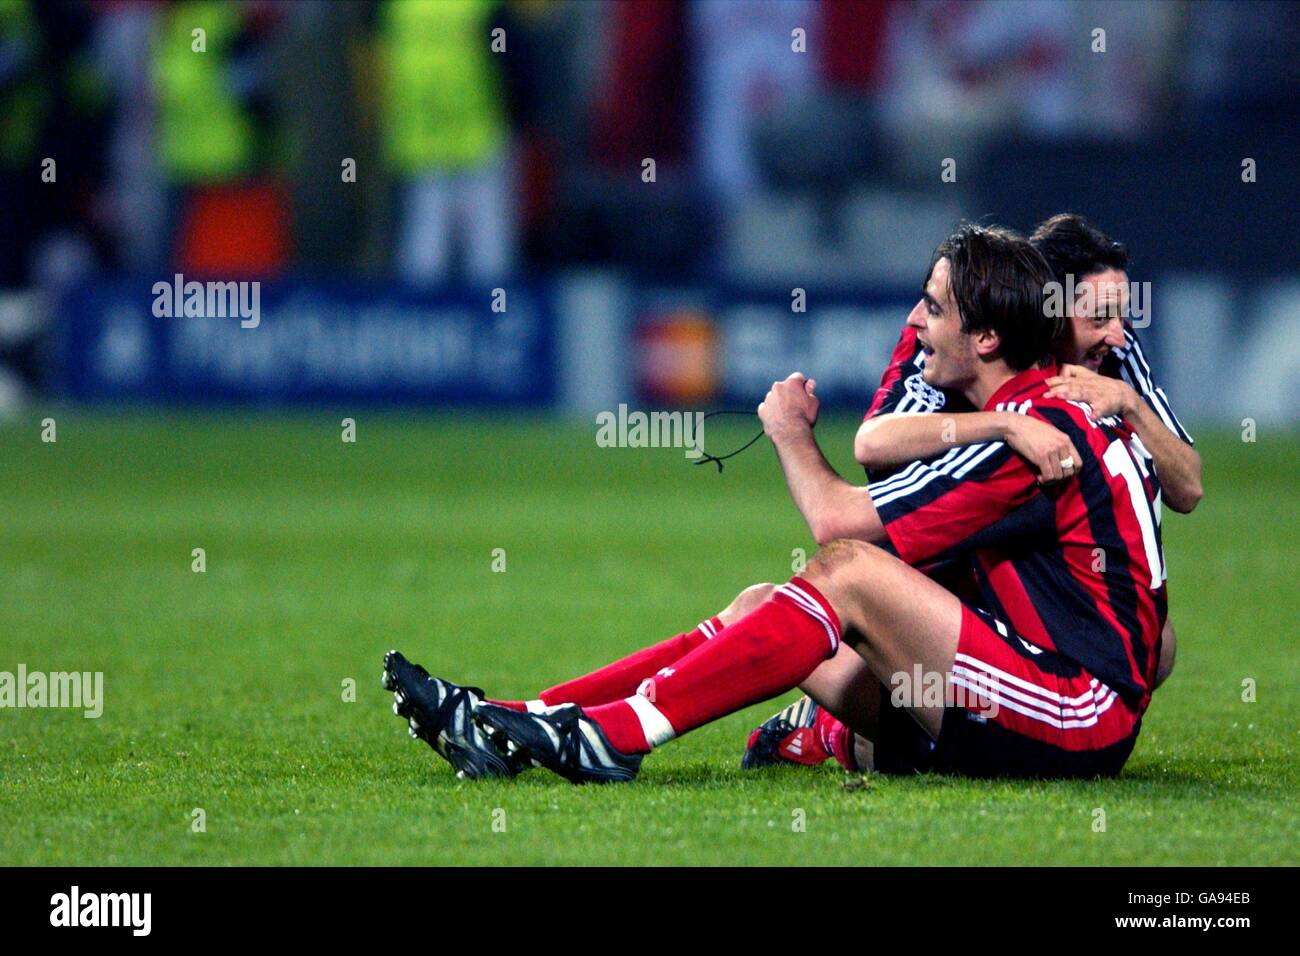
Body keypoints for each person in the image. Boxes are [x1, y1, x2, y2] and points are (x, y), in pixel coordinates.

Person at [385, 224, 1166, 782]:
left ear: (987, 338)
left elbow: (839, 523)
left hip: (1078, 710)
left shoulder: (1039, 434)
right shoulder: (1018, 415)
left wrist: (790, 433)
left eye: (933, 308)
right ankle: (525, 721)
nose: (915, 322)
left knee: (849, 571)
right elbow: (884, 451)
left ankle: (616, 737)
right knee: (766, 605)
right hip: (1015, 677)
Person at [743, 214, 1199, 772]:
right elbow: (872, 443)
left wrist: (1129, 404)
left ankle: (849, 733)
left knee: (1157, 644)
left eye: (1120, 315)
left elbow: (1188, 487)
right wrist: (1002, 425)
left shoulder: (1111, 354)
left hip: (1022, 567)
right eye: (1099, 316)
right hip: (929, 548)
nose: (1118, 332)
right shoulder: (946, 338)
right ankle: (839, 723)